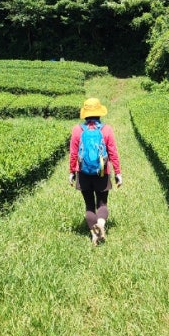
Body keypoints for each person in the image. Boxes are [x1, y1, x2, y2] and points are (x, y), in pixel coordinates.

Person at [69, 97, 122, 245]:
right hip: (102, 173)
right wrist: (118, 173)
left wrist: (72, 172)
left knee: (89, 205)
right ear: (99, 112)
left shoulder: (77, 130)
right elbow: (113, 153)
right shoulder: (107, 130)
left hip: (83, 174)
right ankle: (101, 224)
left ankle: (94, 233)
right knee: (102, 204)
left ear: (85, 114)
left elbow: (73, 154)